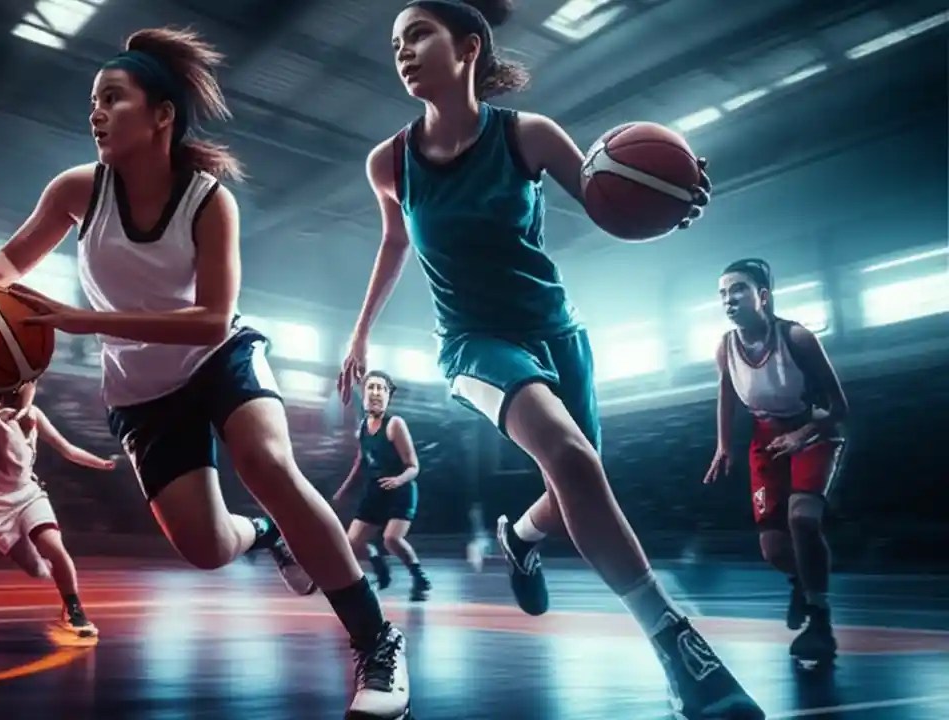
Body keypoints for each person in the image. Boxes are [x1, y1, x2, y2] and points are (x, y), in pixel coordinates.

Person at [0, 27, 410, 718]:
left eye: (112, 99)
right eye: (93, 103)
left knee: (267, 462)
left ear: (162, 114)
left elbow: (213, 320)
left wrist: (88, 320)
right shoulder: (76, 190)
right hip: (142, 391)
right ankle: (267, 534)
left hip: (219, 357)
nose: (96, 114)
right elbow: (6, 263)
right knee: (208, 548)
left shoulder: (208, 200)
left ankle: (376, 641)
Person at [337, 2, 762, 717]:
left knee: (576, 483)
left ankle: (522, 536)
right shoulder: (390, 162)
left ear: (468, 47)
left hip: (558, 334)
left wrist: (672, 196)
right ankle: (677, 644)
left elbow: (609, 203)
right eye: (396, 42)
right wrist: (359, 334)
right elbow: (395, 241)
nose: (402, 51)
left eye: (418, 35)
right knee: (570, 457)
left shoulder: (527, 135)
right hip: (473, 343)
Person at [705, 258, 846, 670]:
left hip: (813, 430)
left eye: (738, 289)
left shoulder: (797, 338)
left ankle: (820, 620)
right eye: (723, 293)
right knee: (773, 549)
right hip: (765, 439)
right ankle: (803, 581)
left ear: (763, 296)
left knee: (802, 519)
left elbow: (840, 407)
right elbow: (726, 393)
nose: (729, 299)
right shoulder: (725, 346)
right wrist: (723, 445)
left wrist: (804, 434)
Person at [0, 380, 117, 638]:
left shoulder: (34, 414)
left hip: (28, 493)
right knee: (38, 571)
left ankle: (73, 610)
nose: (35, 387)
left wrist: (101, 463)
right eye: (30, 383)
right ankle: (52, 571)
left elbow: (67, 449)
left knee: (55, 548)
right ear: (15, 388)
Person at [333, 371, 431, 601]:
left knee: (391, 539)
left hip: (401, 490)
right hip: (375, 491)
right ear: (364, 393)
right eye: (372, 387)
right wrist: (345, 488)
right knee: (352, 542)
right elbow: (361, 461)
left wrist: (398, 480)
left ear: (388, 396)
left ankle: (420, 580)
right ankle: (381, 570)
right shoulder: (362, 427)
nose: (376, 392)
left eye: (382, 389)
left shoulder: (395, 424)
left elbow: (413, 466)